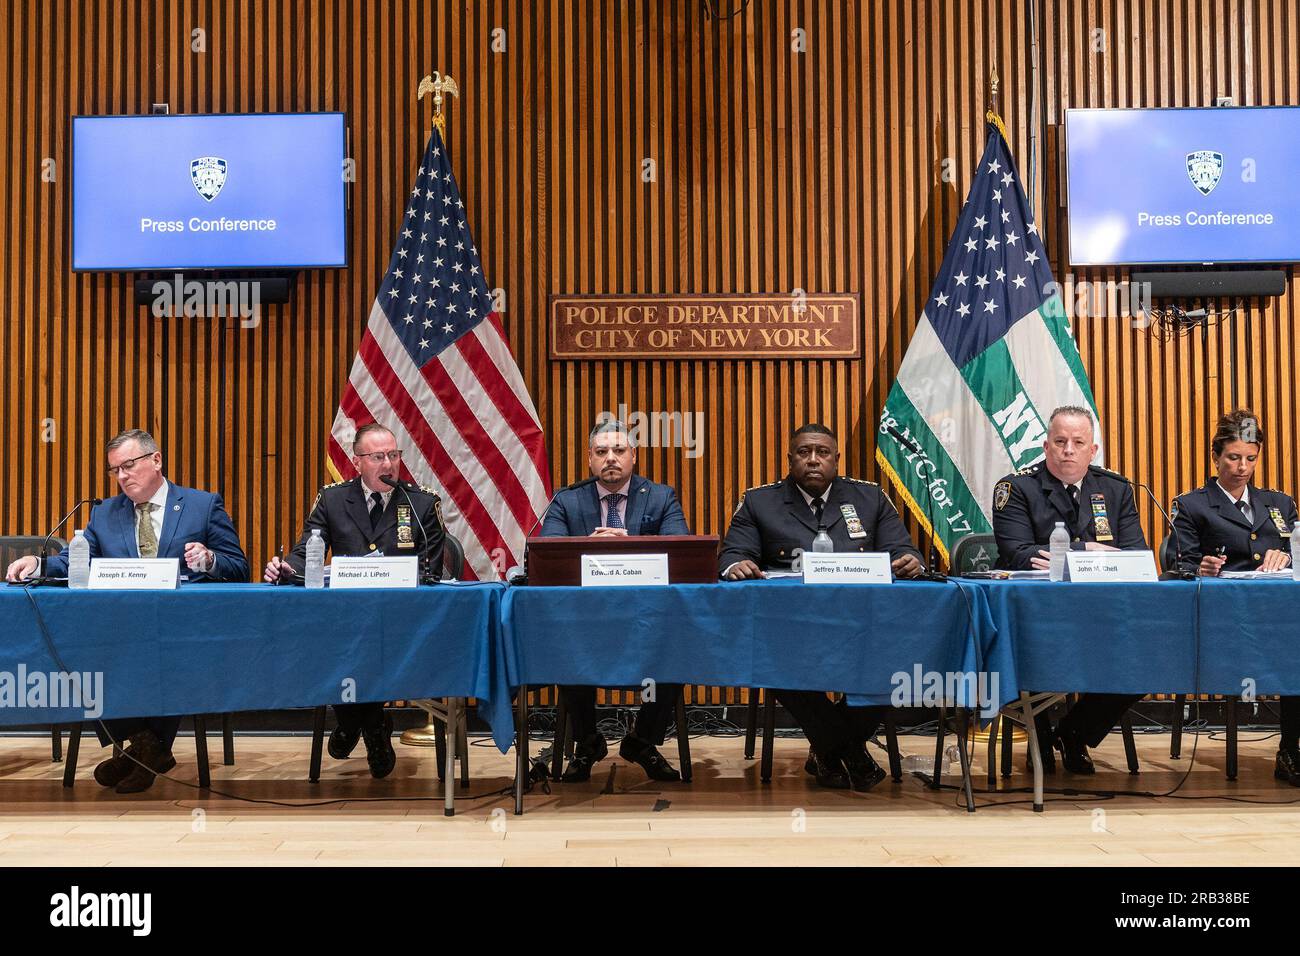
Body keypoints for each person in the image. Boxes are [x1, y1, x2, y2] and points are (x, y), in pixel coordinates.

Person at [5, 428, 249, 794]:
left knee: (166, 654)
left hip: (182, 628)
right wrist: (37, 564)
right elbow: (75, 560)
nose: (122, 476)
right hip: (120, 628)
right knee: (81, 653)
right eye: (115, 470)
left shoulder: (202, 505)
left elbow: (238, 567)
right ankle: (146, 745)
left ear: (157, 460)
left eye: (129, 465)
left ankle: (144, 751)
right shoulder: (105, 514)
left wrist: (211, 560)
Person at [718, 423, 923, 791]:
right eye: (804, 452)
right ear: (790, 458)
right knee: (770, 656)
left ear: (836, 459)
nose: (813, 460)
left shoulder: (870, 498)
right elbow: (732, 554)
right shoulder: (760, 501)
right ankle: (847, 751)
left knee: (901, 656)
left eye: (822, 452)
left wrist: (910, 560)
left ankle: (829, 750)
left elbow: (903, 550)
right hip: (791, 628)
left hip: (863, 626)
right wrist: (736, 565)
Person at [264, 422, 444, 778]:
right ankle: (373, 723)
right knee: (328, 643)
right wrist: (286, 567)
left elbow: (431, 570)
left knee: (363, 646)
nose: (389, 464)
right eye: (378, 457)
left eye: (394, 455)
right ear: (357, 461)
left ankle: (350, 722)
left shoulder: (421, 503)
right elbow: (307, 552)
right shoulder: (332, 499)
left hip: (401, 623)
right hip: (343, 621)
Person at [991, 405, 1146, 774]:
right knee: (1043, 650)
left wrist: (1062, 557)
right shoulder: (1016, 488)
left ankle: (1074, 732)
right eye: (1060, 442)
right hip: (1039, 615)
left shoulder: (1116, 488)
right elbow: (1018, 554)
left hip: (1103, 611)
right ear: (1045, 446)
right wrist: (1087, 550)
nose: (1068, 450)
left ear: (1093, 451)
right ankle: (1040, 732)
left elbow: (1135, 554)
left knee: (1145, 655)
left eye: (1078, 442)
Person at [539, 419, 691, 783]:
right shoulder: (567, 499)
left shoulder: (659, 496)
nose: (611, 458)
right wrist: (594, 547)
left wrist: (627, 544)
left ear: (633, 457)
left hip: (647, 621)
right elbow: (548, 556)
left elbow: (680, 552)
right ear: (590, 459)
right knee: (567, 647)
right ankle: (588, 742)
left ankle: (642, 740)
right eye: (602, 452)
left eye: (619, 451)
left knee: (679, 645)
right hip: (585, 621)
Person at [1171, 408, 1300, 786]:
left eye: (1250, 458)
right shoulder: (1193, 505)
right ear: (1215, 456)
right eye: (1233, 457)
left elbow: (1297, 550)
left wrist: (1288, 555)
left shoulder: (1280, 504)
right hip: (1225, 623)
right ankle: (1291, 751)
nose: (1242, 467)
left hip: (1279, 617)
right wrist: (1201, 568)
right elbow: (1178, 564)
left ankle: (1291, 749)